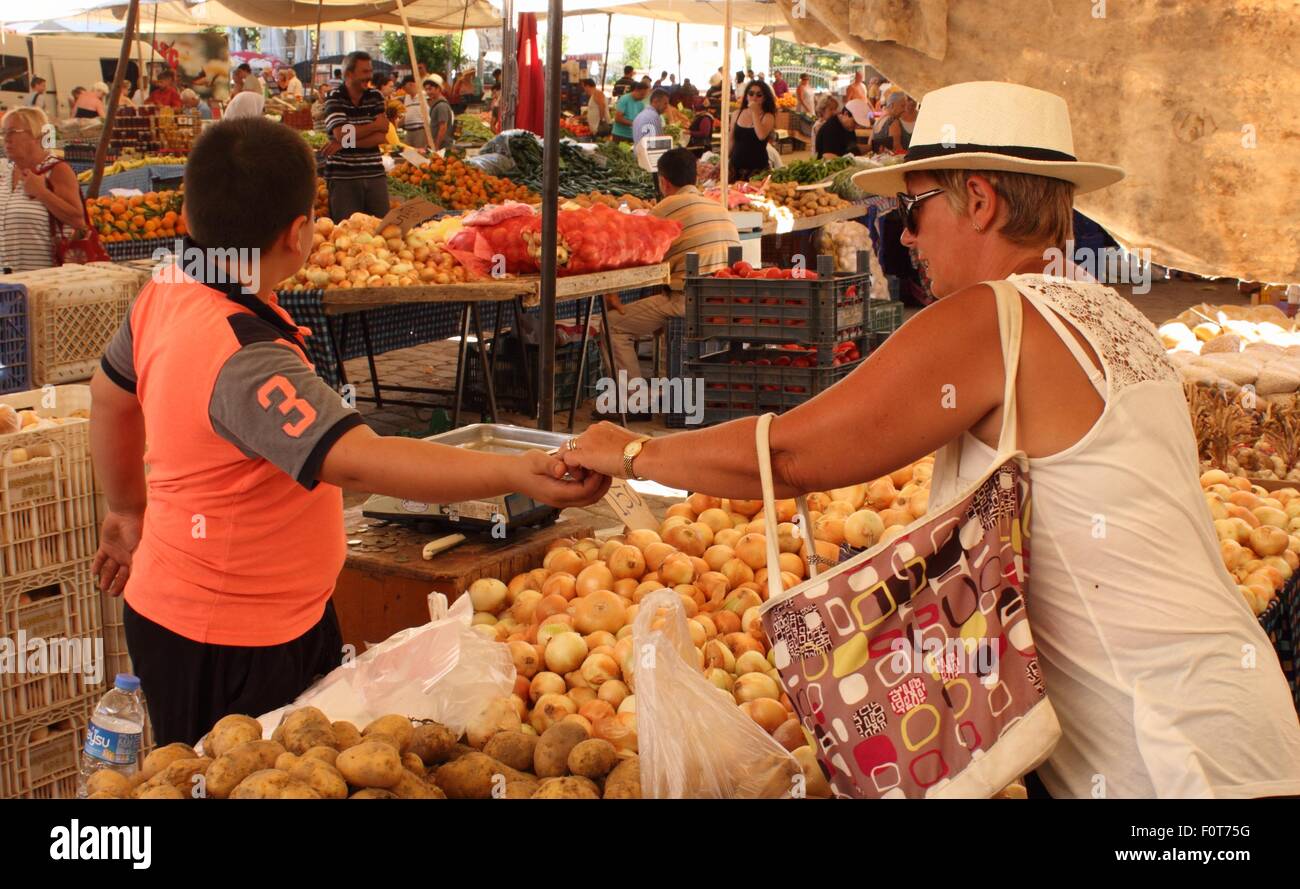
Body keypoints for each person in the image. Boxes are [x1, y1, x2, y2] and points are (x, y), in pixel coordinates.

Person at [563, 80, 1300, 800]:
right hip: (1236, 729)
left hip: (1173, 769)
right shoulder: (1117, 319)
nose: (906, 233)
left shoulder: (994, 318)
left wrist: (629, 451)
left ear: (979, 200)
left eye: (914, 207)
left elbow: (789, 453)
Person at [89, 116, 608, 745]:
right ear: (300, 232)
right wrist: (516, 471)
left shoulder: (168, 288)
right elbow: (358, 461)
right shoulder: (243, 355)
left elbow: (110, 395)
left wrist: (124, 509)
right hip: (230, 635)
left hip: (225, 613)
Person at [606, 148, 739, 396]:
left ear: (663, 182)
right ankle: (658, 394)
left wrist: (611, 290)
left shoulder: (664, 209)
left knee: (610, 326)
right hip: (728, 300)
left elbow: (632, 257)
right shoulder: (719, 208)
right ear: (695, 179)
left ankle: (632, 402)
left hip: (688, 302)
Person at [0, 107, 90, 273]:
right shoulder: (5, 171)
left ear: (35, 136)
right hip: (7, 287)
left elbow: (78, 220)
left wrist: (42, 193)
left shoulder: (56, 170)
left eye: (12, 132)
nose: (6, 138)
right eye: (4, 132)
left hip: (44, 283)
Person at [321, 51, 390, 220]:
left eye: (370, 71)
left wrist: (344, 144)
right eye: (365, 72)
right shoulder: (334, 97)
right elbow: (341, 133)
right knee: (346, 233)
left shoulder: (376, 97)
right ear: (349, 74)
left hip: (374, 175)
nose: (369, 76)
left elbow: (381, 137)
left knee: (381, 229)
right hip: (343, 178)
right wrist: (374, 126)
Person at [729, 79, 775, 180]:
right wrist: (722, 160)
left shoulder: (768, 117)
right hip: (735, 167)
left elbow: (761, 135)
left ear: (765, 98)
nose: (754, 97)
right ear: (746, 96)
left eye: (759, 95)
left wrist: (755, 112)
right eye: (751, 93)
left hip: (757, 170)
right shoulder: (736, 114)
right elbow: (731, 140)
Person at [611, 80, 648, 145]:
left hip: (632, 136)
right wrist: (633, 123)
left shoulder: (641, 104)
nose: (643, 97)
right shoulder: (624, 99)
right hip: (620, 135)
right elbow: (618, 118)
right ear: (636, 90)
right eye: (642, 94)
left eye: (645, 95)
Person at [424, 77, 455, 152]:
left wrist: (436, 146)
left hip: (442, 147)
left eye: (430, 89)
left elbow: (443, 127)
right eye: (426, 89)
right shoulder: (436, 104)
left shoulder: (441, 106)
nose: (428, 92)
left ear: (438, 88)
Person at [399, 75, 427, 148]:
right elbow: (407, 113)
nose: (404, 90)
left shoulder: (424, 95)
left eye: (405, 87)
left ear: (411, 84)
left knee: (419, 154)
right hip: (408, 131)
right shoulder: (407, 98)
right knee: (408, 154)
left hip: (420, 130)